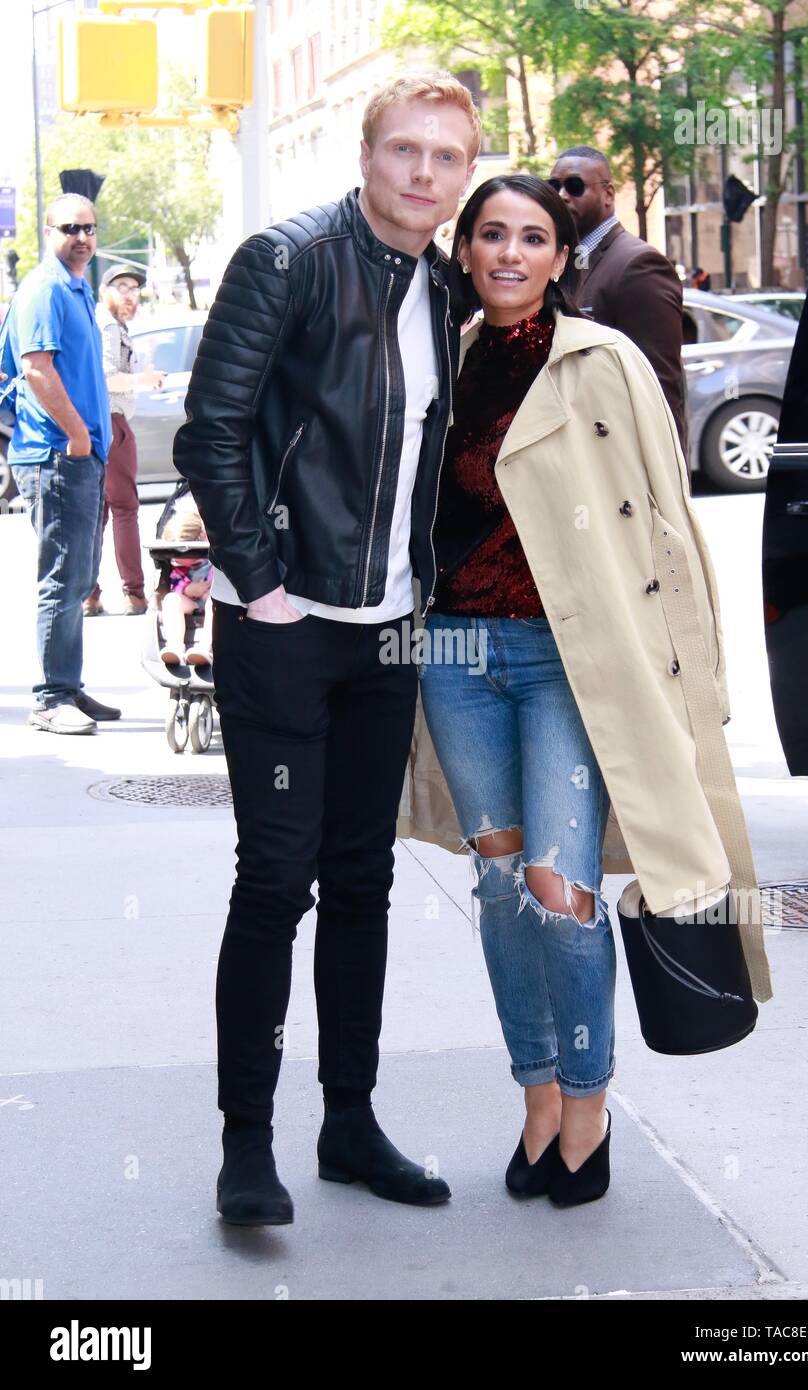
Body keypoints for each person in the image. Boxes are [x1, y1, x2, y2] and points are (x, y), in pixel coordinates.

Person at [401, 174, 772, 1207]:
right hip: (457, 657)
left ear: (561, 258)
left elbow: (665, 521)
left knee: (561, 895)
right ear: (465, 251)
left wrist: (697, 678)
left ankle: (587, 1102)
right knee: (497, 885)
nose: (509, 254)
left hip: (571, 663)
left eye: (531, 238)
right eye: (490, 236)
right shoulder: (447, 360)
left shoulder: (599, 362)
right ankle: (534, 1092)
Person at [172, 74, 480, 1225]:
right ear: (366, 156)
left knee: (364, 881)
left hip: (388, 631)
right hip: (286, 629)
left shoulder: (441, 282)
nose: (422, 174)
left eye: (445, 158)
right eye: (403, 149)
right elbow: (213, 430)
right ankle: (243, 1145)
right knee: (274, 881)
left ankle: (348, 1121)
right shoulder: (288, 260)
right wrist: (263, 590)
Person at [4, 194, 118, 734]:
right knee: (62, 576)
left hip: (82, 455)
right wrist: (76, 435)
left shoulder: (76, 289)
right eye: (71, 228)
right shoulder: (45, 289)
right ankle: (50, 699)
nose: (82, 238)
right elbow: (37, 369)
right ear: (48, 232)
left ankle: (68, 687)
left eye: (90, 229)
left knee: (79, 576)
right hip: (56, 456)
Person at [548, 145, 686, 448]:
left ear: (608, 194)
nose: (561, 195)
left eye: (574, 186)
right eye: (553, 186)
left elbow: (660, 388)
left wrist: (665, 486)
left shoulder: (639, 265)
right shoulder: (564, 261)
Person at [84, 264, 165, 618]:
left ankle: (89, 593)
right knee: (125, 509)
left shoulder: (108, 324)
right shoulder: (107, 326)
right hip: (110, 421)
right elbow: (105, 378)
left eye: (135, 289)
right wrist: (143, 380)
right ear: (105, 291)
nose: (130, 295)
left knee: (97, 512)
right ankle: (134, 592)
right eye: (122, 287)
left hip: (97, 423)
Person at [158, 510, 214, 667]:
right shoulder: (177, 564)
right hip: (190, 601)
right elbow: (174, 582)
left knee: (214, 600)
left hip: (212, 599)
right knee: (170, 600)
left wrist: (208, 588)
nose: (176, 560)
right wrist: (187, 589)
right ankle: (175, 648)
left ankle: (205, 648)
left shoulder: (211, 556)